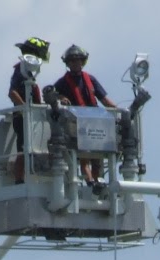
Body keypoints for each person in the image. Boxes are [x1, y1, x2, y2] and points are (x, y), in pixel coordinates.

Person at [50, 44, 118, 191]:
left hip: (95, 122)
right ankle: (89, 181)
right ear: (67, 63)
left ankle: (97, 180)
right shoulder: (61, 83)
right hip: (76, 123)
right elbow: (51, 98)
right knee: (84, 156)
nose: (76, 63)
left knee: (97, 157)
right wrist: (60, 97)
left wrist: (119, 112)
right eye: (73, 61)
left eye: (78, 60)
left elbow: (105, 100)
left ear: (83, 61)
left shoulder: (90, 79)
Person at [7, 37, 50, 183]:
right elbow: (12, 92)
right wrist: (26, 109)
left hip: (32, 118)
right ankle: (19, 179)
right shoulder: (21, 70)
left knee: (32, 147)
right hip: (23, 117)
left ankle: (28, 176)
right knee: (23, 149)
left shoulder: (28, 71)